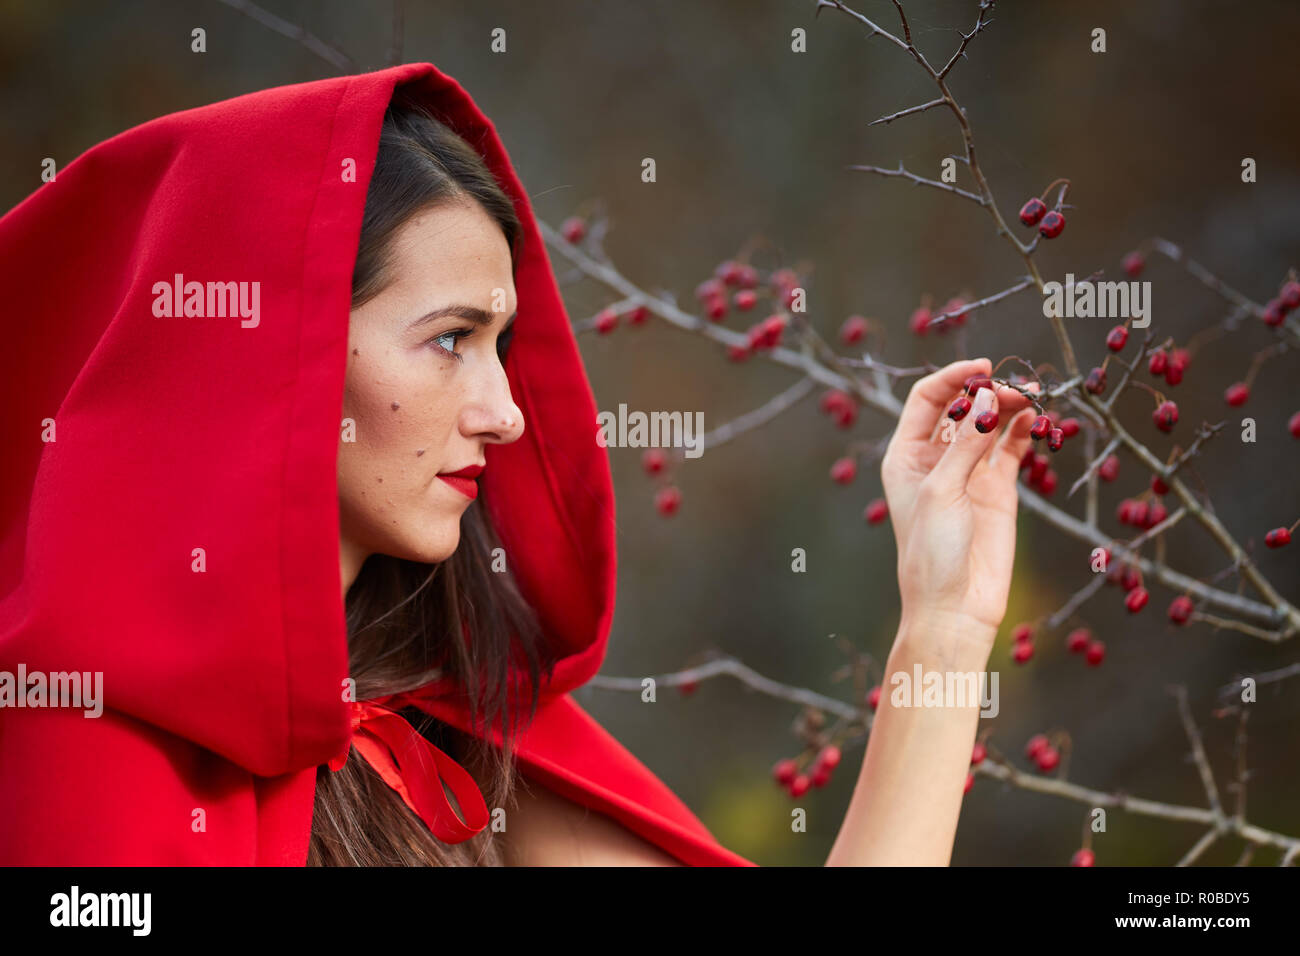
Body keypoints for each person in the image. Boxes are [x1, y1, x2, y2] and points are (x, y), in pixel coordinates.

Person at [0, 62, 1036, 866]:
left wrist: (944, 623)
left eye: (502, 343)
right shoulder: (56, 749)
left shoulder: (438, 741)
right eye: (450, 338)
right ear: (276, 345)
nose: (502, 414)